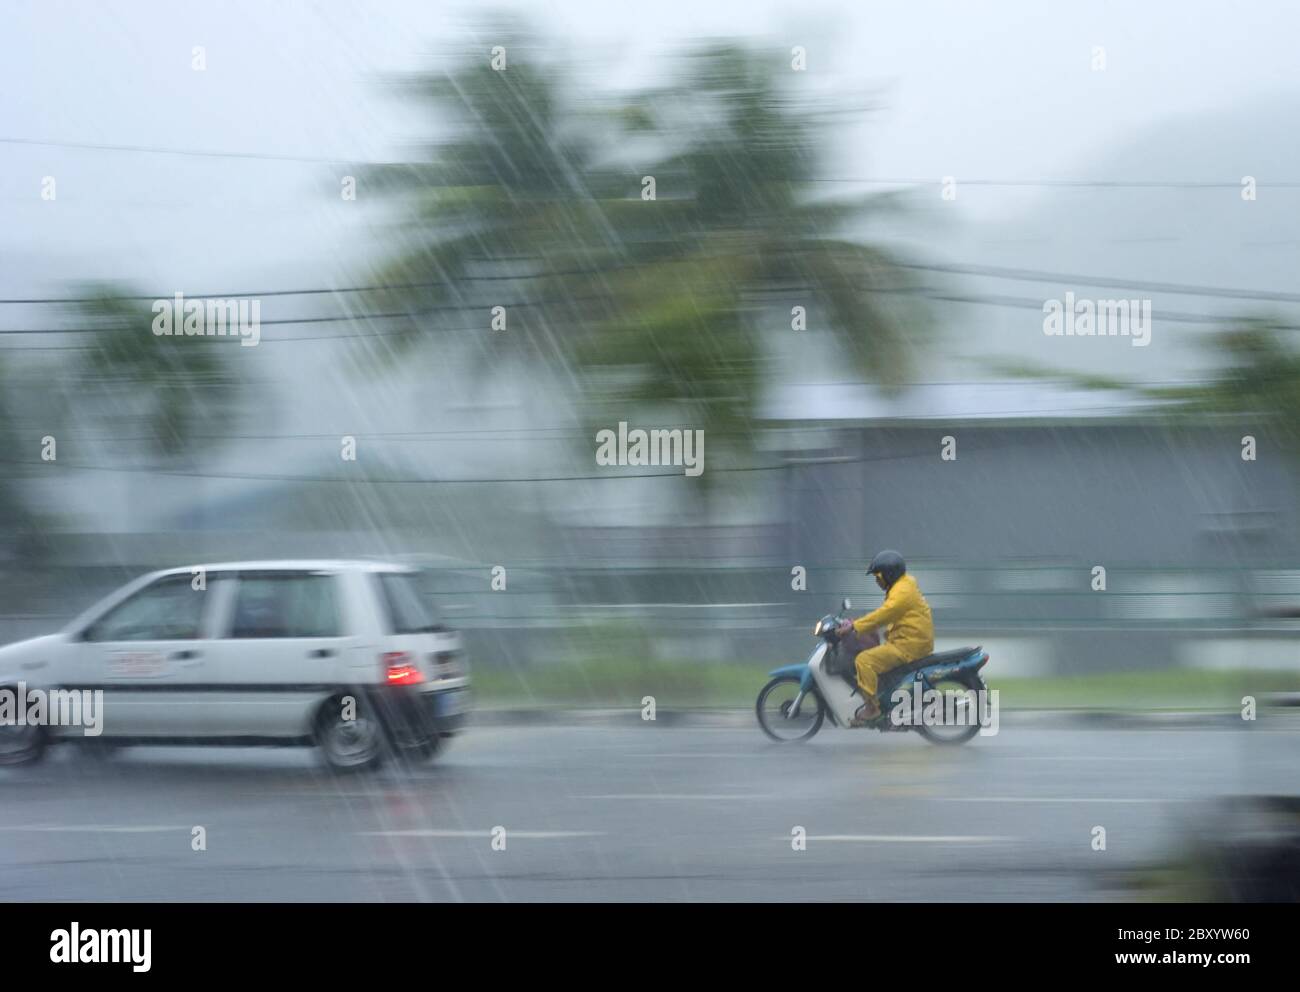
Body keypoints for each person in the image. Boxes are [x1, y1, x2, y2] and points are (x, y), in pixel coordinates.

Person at [836, 550, 933, 726]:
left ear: (889, 574)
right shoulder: (903, 586)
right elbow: (886, 614)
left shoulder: (901, 592)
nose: (876, 581)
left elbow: (884, 614)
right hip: (909, 641)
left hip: (908, 646)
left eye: (878, 577)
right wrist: (856, 623)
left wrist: (854, 626)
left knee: (864, 661)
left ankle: (872, 709)